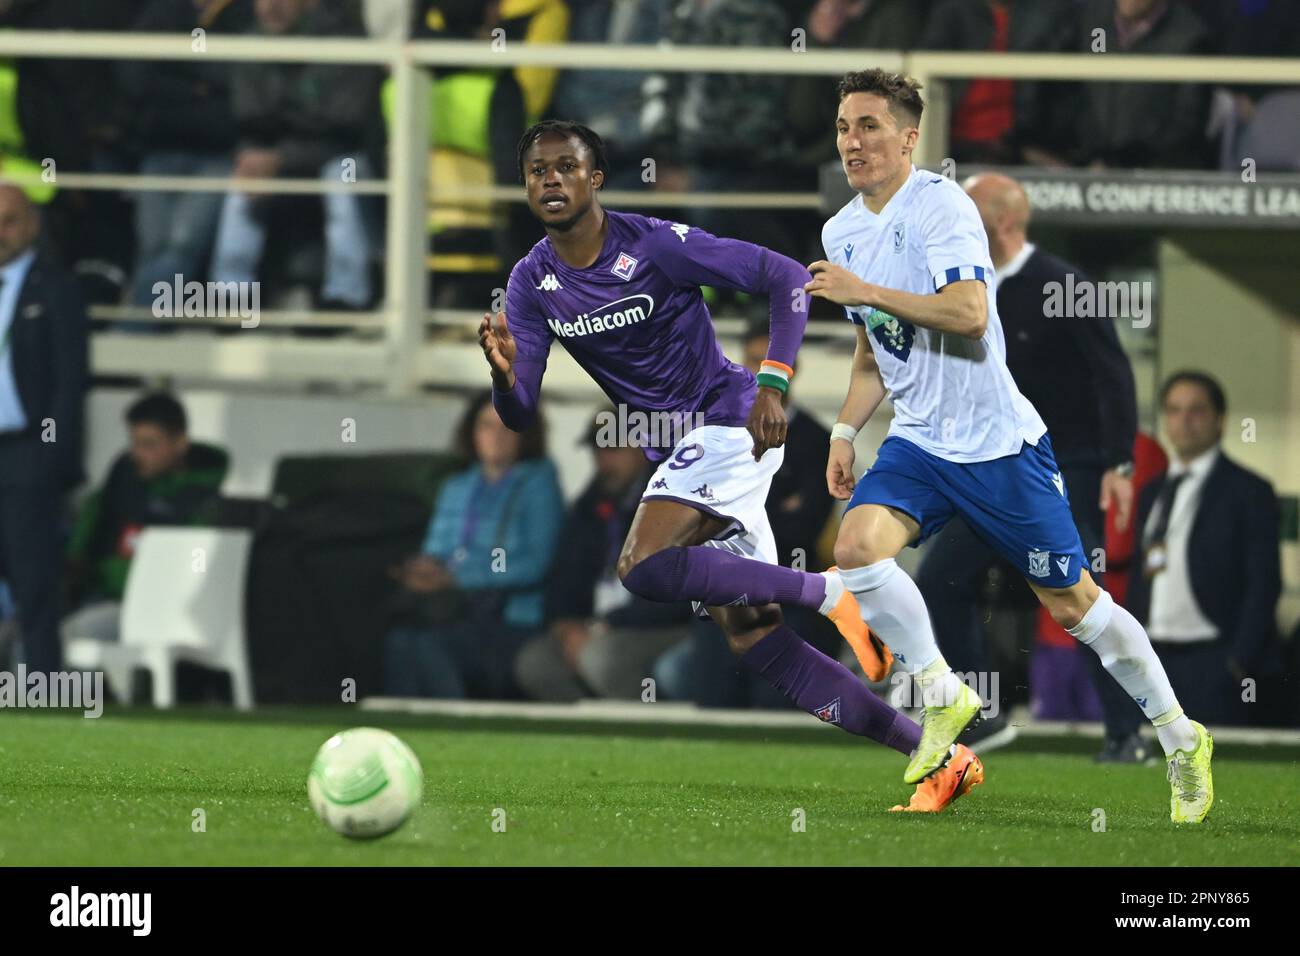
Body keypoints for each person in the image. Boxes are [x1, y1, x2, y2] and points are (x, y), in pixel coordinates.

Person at [479, 120, 978, 813]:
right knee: (755, 638)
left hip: (727, 422)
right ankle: (943, 761)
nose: (551, 180)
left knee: (643, 565)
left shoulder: (653, 244)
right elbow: (519, 413)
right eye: (538, 170)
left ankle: (830, 594)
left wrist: (774, 380)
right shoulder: (532, 281)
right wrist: (504, 376)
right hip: (680, 451)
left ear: (596, 178)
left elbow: (784, 279)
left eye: (567, 167)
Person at [803, 68, 1213, 823]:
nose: (852, 142)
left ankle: (1179, 736)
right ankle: (943, 693)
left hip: (999, 448)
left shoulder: (944, 206)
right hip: (922, 442)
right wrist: (842, 429)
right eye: (842, 128)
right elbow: (874, 353)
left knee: (1077, 609)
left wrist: (864, 292)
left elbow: (965, 313)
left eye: (868, 125)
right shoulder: (841, 229)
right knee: (858, 548)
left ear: (907, 136)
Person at [915, 171, 1146, 759]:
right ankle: (974, 715)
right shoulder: (959, 286)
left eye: (966, 210)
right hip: (990, 471)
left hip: (1064, 470)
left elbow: (1112, 374)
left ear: (1004, 221)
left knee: (1082, 600)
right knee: (940, 578)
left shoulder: (1062, 284)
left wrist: (1118, 463)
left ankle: (1129, 734)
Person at [652, 318, 847, 709]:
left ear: (793, 369)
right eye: (754, 361)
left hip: (792, 596)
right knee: (713, 693)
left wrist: (736, 512)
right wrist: (770, 509)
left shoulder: (813, 441)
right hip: (724, 591)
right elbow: (692, 520)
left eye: (771, 363)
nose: (762, 374)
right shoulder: (716, 431)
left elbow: (802, 529)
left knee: (773, 698)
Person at [1125, 372, 1282, 726]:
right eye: (1174, 410)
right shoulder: (1152, 492)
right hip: (1156, 661)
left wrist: (1238, 660)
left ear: (1220, 421)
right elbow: (1142, 574)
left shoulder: (1248, 491)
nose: (1184, 420)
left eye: (1196, 410)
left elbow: (1264, 582)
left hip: (1214, 661)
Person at [383, 391, 563, 699]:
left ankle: (455, 729)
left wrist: (458, 576)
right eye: (486, 426)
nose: (497, 437)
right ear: (471, 433)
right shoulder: (456, 486)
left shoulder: (539, 483)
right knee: (400, 640)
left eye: (507, 426)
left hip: (511, 618)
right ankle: (408, 730)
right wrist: (423, 570)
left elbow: (535, 564)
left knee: (431, 646)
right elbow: (435, 549)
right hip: (451, 608)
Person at [208, 0, 381, 311]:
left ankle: (347, 297)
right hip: (277, 156)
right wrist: (259, 154)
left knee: (342, 180)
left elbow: (345, 124)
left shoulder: (345, 40)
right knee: (242, 181)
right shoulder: (251, 44)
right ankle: (231, 298)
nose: (271, 7)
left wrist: (282, 155)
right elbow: (249, 116)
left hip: (340, 156)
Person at [514, 410, 693, 701]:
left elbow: (671, 598)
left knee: (602, 659)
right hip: (600, 628)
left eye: (614, 449)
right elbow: (564, 576)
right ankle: (582, 741)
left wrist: (603, 627)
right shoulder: (591, 505)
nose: (603, 461)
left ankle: (646, 737)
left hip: (666, 627)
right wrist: (565, 626)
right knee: (536, 662)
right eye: (598, 451)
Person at [0, 183, 88, 676]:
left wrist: (51, 458)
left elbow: (69, 382)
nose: (0, 232)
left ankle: (43, 688)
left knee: (34, 581)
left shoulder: (56, 289)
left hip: (27, 453)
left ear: (32, 226)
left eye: (10, 220)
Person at [62, 392, 229, 650]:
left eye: (150, 445)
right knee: (20, 626)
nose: (138, 454)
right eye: (134, 443)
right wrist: (74, 563)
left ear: (180, 443)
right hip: (94, 596)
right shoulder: (123, 481)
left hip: (155, 614)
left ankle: (50, 691)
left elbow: (196, 571)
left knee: (66, 636)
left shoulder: (202, 503)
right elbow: (89, 527)